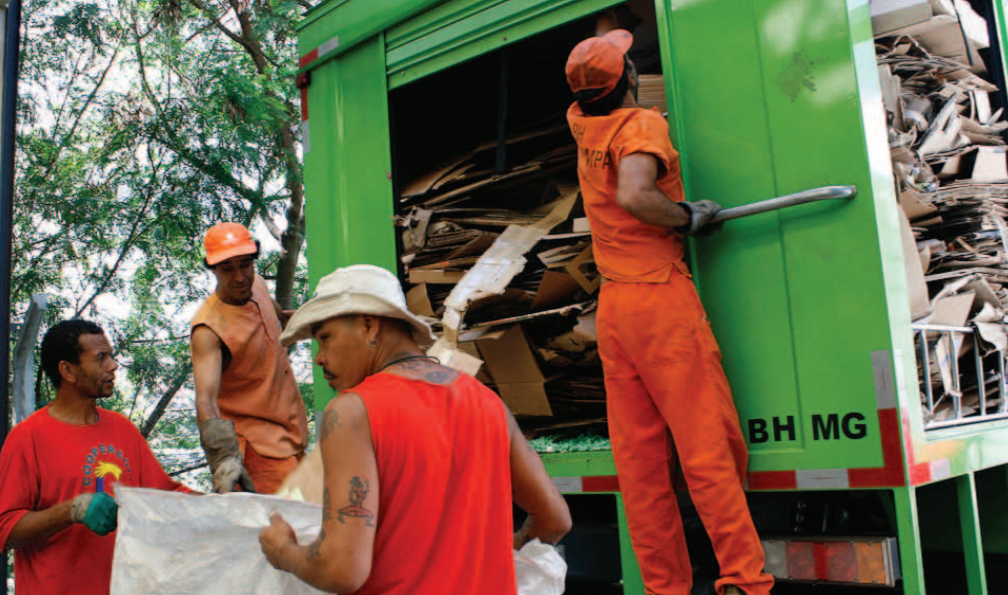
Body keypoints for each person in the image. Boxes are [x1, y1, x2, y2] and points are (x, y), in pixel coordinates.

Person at [564, 30, 774, 595]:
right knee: (708, 448)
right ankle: (746, 582)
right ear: (628, 78)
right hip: (659, 299)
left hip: (615, 308)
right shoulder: (639, 125)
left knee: (641, 468)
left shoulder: (580, 122)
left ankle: (666, 589)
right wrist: (687, 216)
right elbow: (635, 194)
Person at [258, 264, 572, 594]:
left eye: (325, 337)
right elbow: (555, 520)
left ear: (369, 326)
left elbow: (342, 570)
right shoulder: (486, 401)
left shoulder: (353, 411)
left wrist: (284, 552)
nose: (319, 358)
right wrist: (508, 552)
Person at [0, 319, 194, 595]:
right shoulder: (28, 437)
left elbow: (167, 497)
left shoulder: (122, 429)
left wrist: (229, 502)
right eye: (101, 358)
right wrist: (71, 511)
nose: (113, 365)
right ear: (68, 370)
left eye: (110, 356)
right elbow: (5, 528)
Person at [190, 222, 308, 494]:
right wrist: (224, 460)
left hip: (291, 436)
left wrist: (325, 321)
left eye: (245, 264)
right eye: (227, 268)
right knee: (287, 531)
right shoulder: (209, 330)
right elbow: (205, 400)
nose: (239, 276)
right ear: (212, 269)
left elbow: (280, 319)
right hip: (259, 451)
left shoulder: (259, 288)